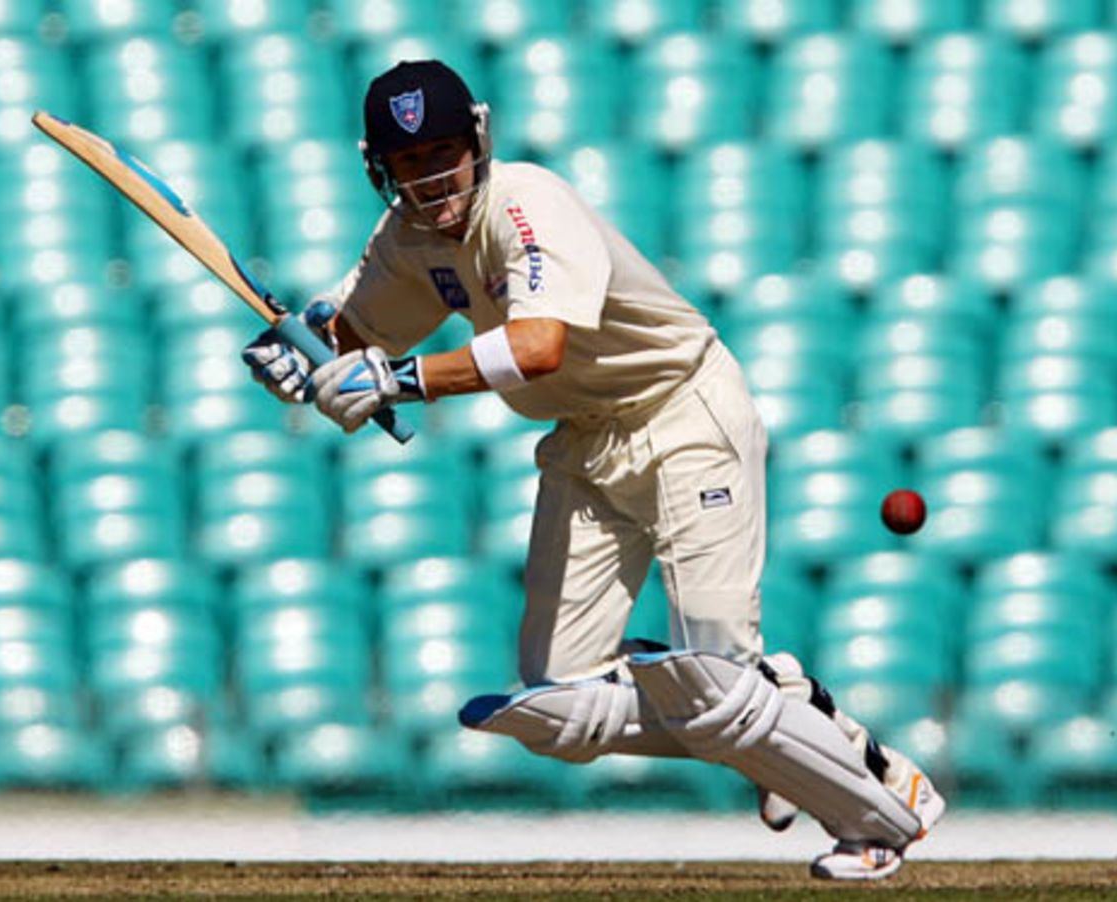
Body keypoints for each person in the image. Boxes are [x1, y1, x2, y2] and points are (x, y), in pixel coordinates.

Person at [242, 59, 944, 880]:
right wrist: (297, 363)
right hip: (584, 441)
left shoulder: (527, 203)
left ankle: (885, 815)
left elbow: (539, 348)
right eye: (409, 163)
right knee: (560, 702)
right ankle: (778, 704)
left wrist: (402, 380)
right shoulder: (406, 242)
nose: (432, 179)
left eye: (444, 153)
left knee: (716, 686)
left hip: (682, 414)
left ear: (478, 140)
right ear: (380, 168)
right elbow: (352, 340)